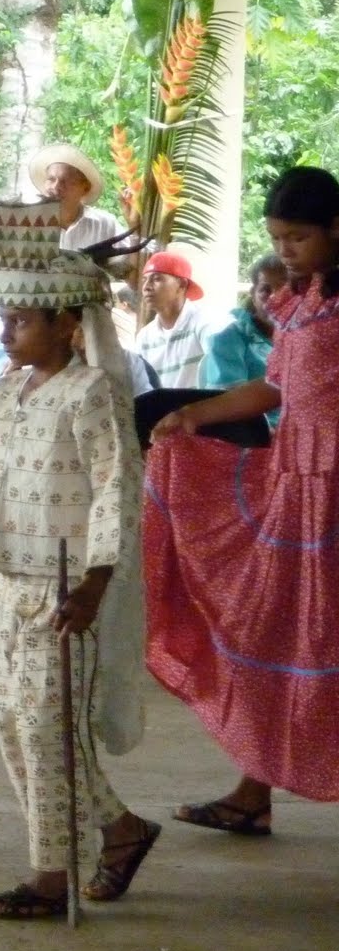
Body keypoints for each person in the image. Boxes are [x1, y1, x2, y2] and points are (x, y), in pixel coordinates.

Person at [0, 198, 158, 920]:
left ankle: (51, 875)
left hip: (69, 586)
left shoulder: (94, 394)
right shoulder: (9, 391)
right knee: (8, 719)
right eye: (5, 318)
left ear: (64, 322)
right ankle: (119, 829)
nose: (5, 331)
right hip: (15, 579)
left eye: (20, 320)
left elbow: (119, 489)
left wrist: (94, 582)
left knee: (50, 724)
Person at [146, 166, 339, 835]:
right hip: (296, 495)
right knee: (271, 630)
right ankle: (253, 790)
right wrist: (196, 415)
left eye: (300, 237)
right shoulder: (300, 305)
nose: (287, 250)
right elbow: (273, 388)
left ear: (337, 230)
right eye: (279, 238)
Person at [201, 253, 286, 408]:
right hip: (257, 429)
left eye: (284, 291)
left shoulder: (307, 337)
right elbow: (229, 406)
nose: (275, 299)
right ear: (253, 295)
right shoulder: (228, 340)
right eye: (265, 290)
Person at [135, 249, 209, 388]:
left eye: (156, 279)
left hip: (201, 408)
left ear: (182, 285)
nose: (146, 287)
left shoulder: (204, 323)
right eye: (144, 280)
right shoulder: (144, 337)